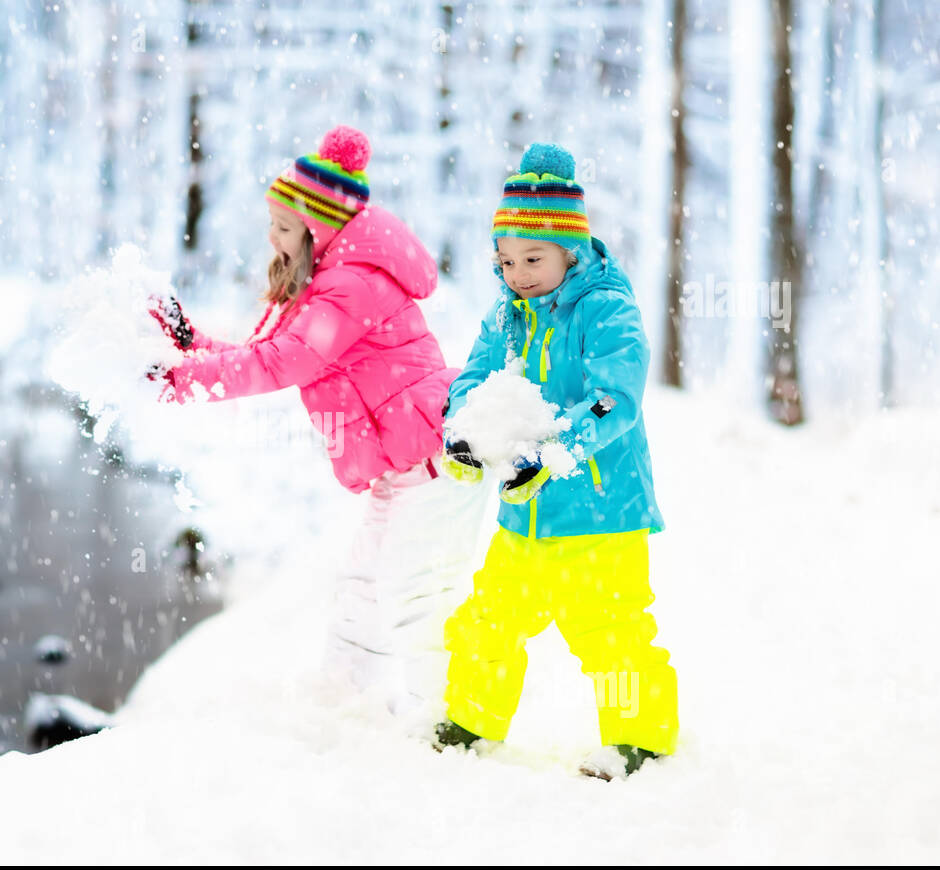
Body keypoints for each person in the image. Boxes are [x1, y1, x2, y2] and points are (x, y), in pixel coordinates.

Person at [148, 125, 489, 718]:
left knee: (415, 596)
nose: (273, 239)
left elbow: (283, 362)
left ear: (318, 228)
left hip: (435, 463)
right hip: (401, 467)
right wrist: (188, 346)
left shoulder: (352, 287)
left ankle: (448, 722)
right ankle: (341, 706)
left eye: (283, 227)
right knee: (363, 588)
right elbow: (265, 350)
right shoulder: (330, 283)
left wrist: (183, 384)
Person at [435, 143, 679, 780]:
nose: (517, 273)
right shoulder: (507, 316)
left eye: (533, 258)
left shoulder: (607, 309)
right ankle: (470, 721)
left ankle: (638, 740)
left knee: (612, 629)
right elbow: (476, 377)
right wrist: (464, 431)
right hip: (527, 517)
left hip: (602, 510)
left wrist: (552, 453)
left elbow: (614, 399)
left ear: (572, 248)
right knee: (488, 618)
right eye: (506, 260)